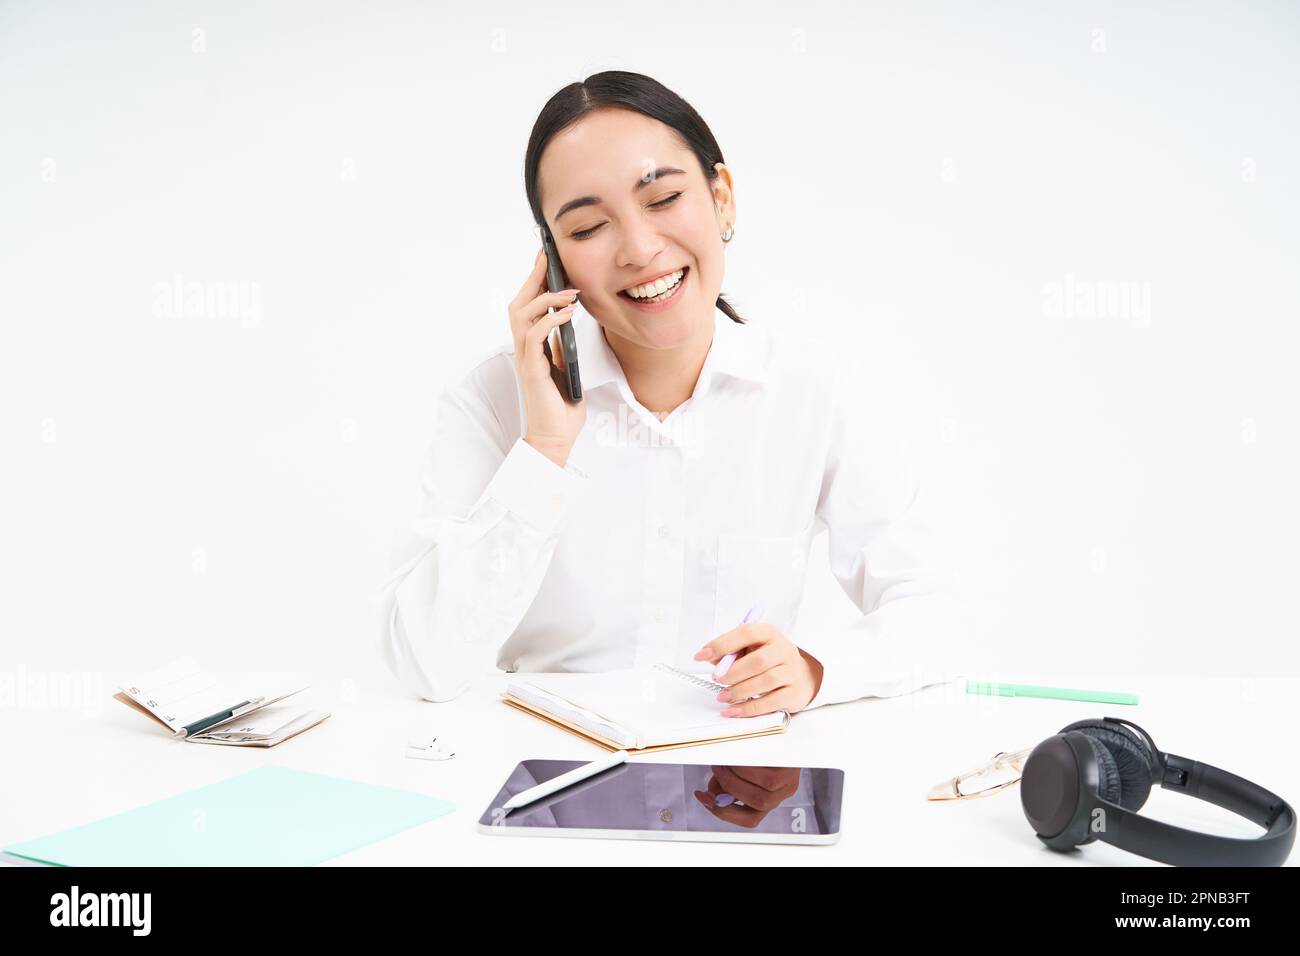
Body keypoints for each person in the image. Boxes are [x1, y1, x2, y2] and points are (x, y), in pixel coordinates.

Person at [378, 70, 970, 714]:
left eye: (662, 200)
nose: (639, 249)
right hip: (544, 775)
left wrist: (816, 669)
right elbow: (424, 663)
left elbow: (935, 609)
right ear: (552, 261)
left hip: (739, 786)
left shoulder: (812, 393)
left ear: (722, 200)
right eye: (586, 229)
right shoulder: (492, 399)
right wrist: (545, 448)